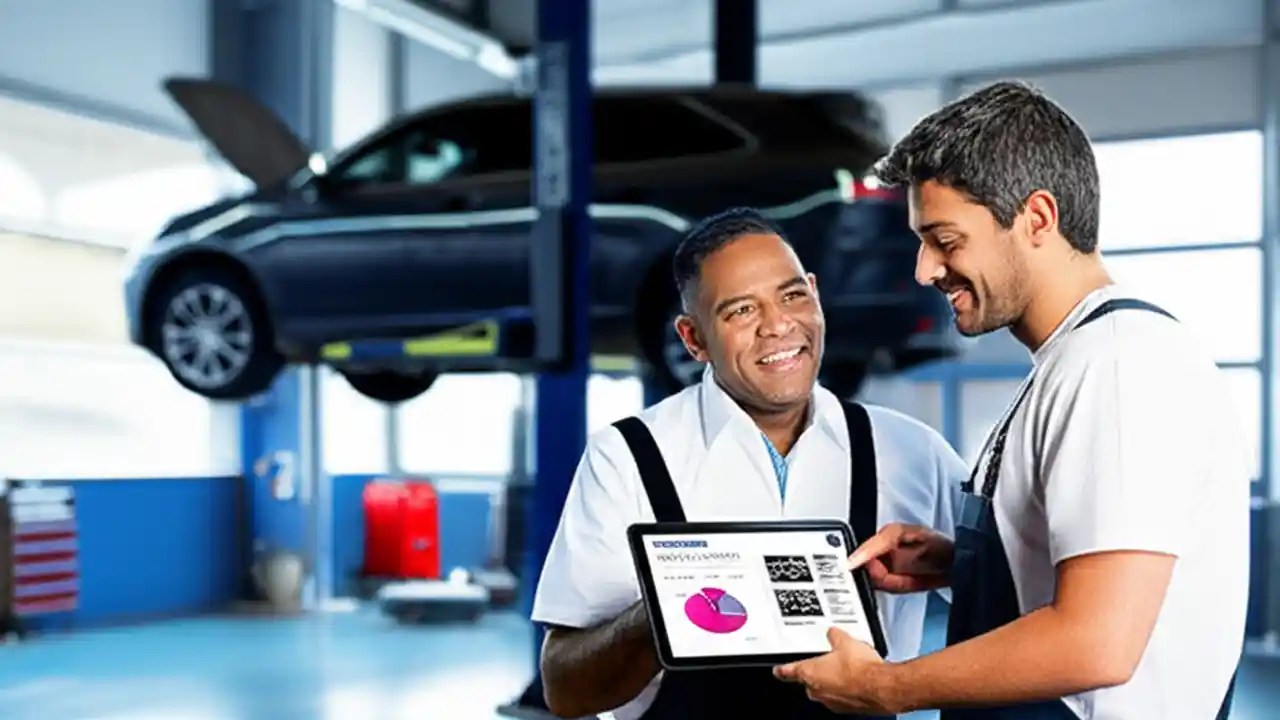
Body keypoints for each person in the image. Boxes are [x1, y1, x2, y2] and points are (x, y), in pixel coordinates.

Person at [773, 80, 1250, 720]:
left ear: (1037, 219)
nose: (924, 270)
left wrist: (886, 686)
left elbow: (1096, 643)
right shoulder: (1069, 362)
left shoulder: (1115, 366)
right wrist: (960, 560)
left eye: (946, 239)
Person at [530, 207, 968, 719]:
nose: (778, 326)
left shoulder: (913, 452)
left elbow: (1031, 608)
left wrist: (957, 565)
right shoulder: (627, 457)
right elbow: (566, 689)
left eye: (792, 296)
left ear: (815, 294)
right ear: (693, 339)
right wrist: (669, 606)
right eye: (741, 311)